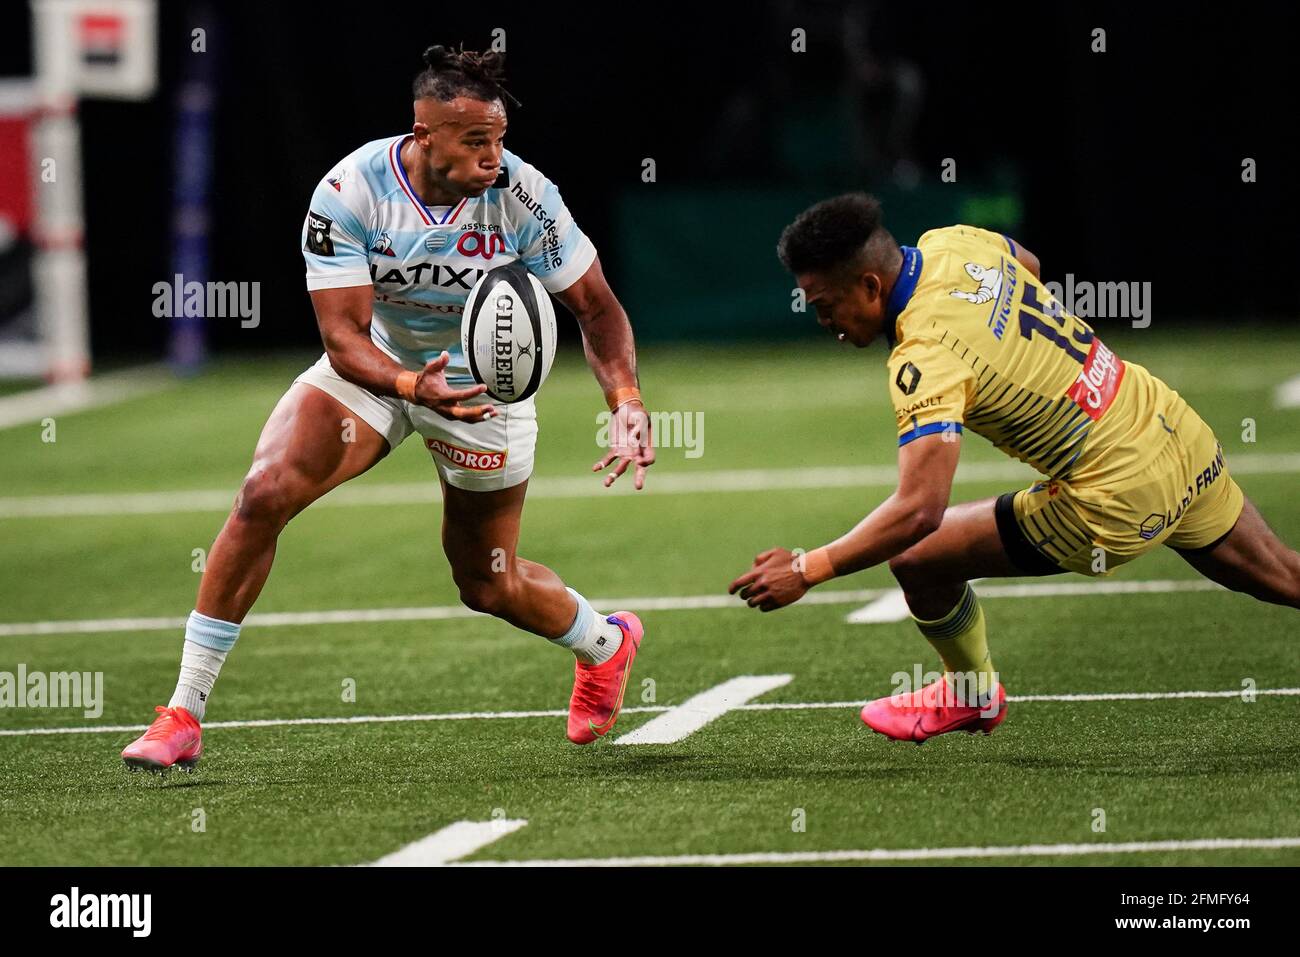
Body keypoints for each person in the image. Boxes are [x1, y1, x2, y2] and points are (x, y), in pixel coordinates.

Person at [122, 45, 654, 771]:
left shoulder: (526, 196)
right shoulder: (350, 189)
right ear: (424, 132)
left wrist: (624, 399)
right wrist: (407, 384)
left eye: (498, 139)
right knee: (261, 493)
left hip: (481, 391)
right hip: (378, 366)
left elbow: (597, 307)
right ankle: (182, 711)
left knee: (486, 583)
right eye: (475, 141)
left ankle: (606, 641)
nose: (493, 156)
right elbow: (342, 337)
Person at [729, 192, 1299, 742]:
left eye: (826, 306)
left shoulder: (924, 355)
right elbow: (1028, 261)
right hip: (1166, 422)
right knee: (1282, 574)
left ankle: (971, 692)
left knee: (917, 559)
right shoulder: (952, 242)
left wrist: (806, 570)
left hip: (1116, 494)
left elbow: (918, 512)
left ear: (870, 285)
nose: (824, 322)